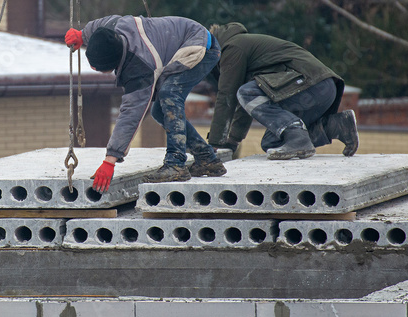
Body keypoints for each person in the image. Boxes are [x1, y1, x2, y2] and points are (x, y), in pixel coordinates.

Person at [65, 15, 226, 192]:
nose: (95, 70)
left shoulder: (140, 69)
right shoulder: (113, 27)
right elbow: (97, 26)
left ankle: (176, 164)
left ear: (114, 63)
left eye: (100, 68)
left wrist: (110, 160)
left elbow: (131, 114)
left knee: (169, 94)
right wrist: (81, 35)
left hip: (200, 46)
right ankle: (207, 159)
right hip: (182, 34)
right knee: (159, 111)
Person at [206, 22, 358, 160]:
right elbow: (246, 105)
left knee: (247, 92)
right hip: (320, 88)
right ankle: (337, 126)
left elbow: (227, 96)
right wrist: (232, 141)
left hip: (313, 85)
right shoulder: (243, 48)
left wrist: (213, 143)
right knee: (272, 143)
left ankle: (298, 138)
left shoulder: (233, 47)